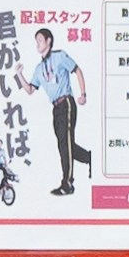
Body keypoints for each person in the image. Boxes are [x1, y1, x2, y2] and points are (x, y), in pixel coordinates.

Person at [33, 29, 89, 193]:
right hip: (55, 109)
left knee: (65, 145)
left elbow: (77, 70)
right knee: (64, 145)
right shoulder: (38, 69)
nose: (37, 44)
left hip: (66, 103)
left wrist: (83, 94)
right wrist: (19, 75)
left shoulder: (59, 56)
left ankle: (68, 183)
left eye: (40, 40)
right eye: (36, 41)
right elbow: (30, 89)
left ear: (49, 41)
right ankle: (90, 158)